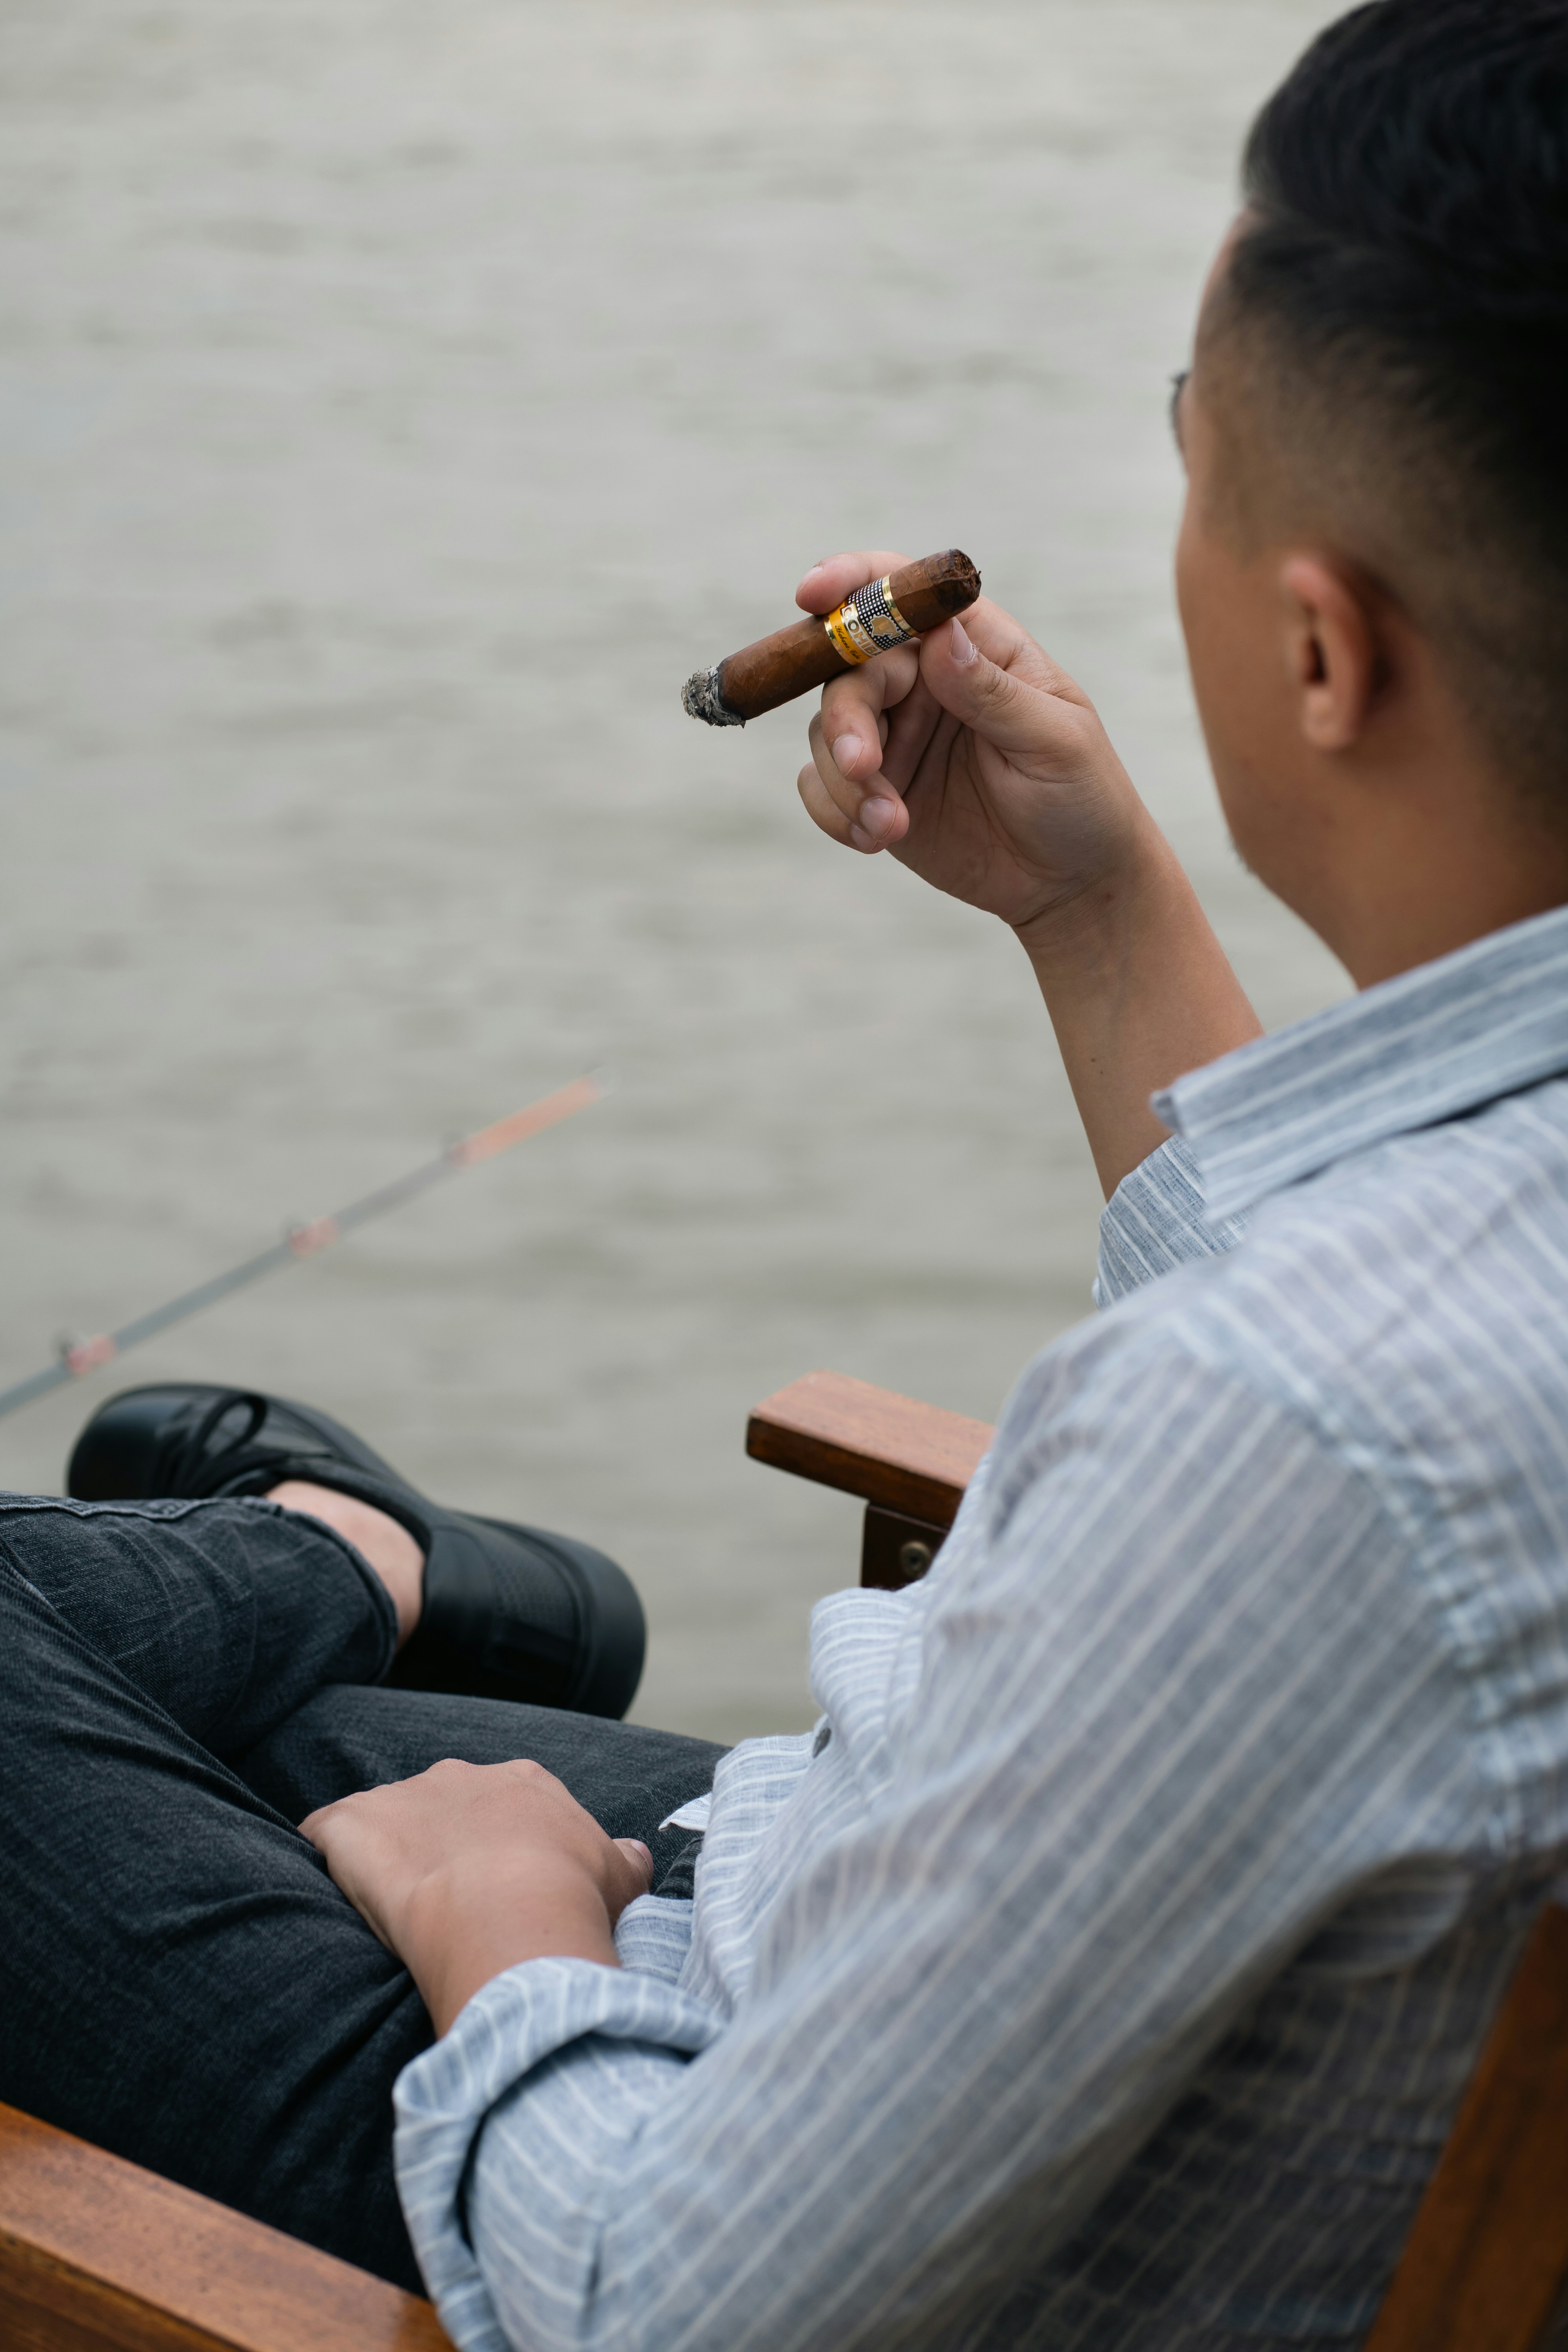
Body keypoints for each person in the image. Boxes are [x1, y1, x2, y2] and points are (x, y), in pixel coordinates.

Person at [5, 0, 1568, 2345]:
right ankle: (339, 1555)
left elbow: (663, 2301)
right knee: (149, 1661)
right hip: (846, 1906)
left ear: (1323, 642)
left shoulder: (1292, 1438)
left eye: (1187, 447)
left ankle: (353, 1546)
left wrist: (502, 1931)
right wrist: (1098, 896)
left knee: (80, 1619)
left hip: (602, 2162)